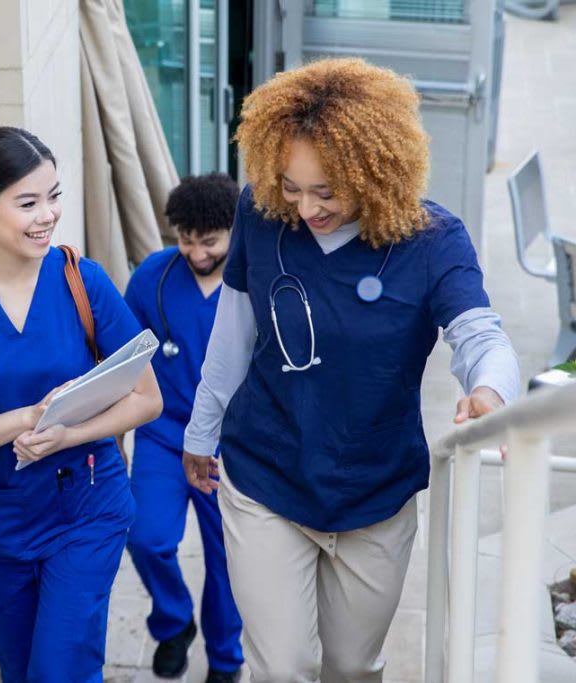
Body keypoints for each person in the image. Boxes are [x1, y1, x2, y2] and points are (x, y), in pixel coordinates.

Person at [182, 58, 519, 683]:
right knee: (283, 670)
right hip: (266, 477)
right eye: (290, 185)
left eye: (326, 191)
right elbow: (231, 337)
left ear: (375, 169)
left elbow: (479, 334)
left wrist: (490, 391)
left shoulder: (433, 241)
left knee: (351, 670)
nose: (305, 208)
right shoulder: (260, 211)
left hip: (373, 492)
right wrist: (202, 431)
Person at [0, 126, 163, 683]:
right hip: (1, 521)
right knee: (22, 671)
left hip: (87, 508)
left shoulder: (82, 280)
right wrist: (26, 418)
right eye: (28, 203)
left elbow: (147, 399)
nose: (48, 215)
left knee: (59, 671)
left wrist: (68, 433)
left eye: (54, 196)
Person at [123, 174, 245, 682]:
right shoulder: (152, 278)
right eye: (186, 240)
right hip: (162, 433)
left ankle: (225, 658)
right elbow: (123, 363)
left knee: (229, 564)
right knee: (144, 534)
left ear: (234, 233)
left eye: (209, 241)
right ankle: (174, 622)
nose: (195, 253)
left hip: (229, 447)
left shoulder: (255, 281)